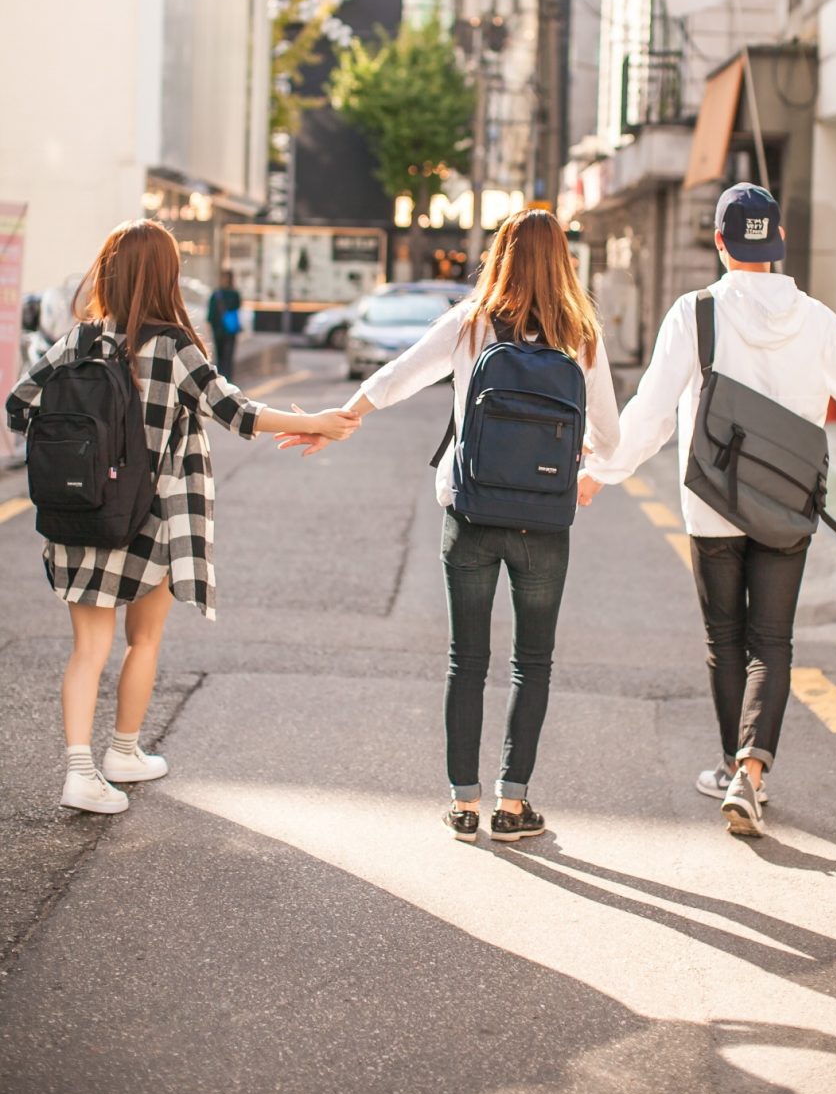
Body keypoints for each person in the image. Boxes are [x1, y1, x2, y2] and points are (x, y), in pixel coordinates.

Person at [578, 183, 836, 838]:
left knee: (725, 638)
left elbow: (652, 414)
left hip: (712, 507)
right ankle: (752, 773)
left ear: (720, 242)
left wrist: (602, 473)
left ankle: (734, 770)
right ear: (777, 243)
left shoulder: (695, 314)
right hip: (787, 505)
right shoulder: (815, 318)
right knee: (772, 641)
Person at [280, 209, 620, 843]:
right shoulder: (583, 337)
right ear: (564, 264)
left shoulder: (472, 324)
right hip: (544, 522)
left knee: (467, 660)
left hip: (471, 511)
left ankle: (464, 805)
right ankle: (513, 806)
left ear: (501, 257)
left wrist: (337, 420)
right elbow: (609, 435)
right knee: (532, 662)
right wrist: (588, 473)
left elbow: (397, 376)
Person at [6, 220, 360, 816]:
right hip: (153, 518)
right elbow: (237, 412)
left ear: (109, 272)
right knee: (143, 639)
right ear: (167, 276)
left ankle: (78, 771)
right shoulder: (173, 345)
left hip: (79, 514)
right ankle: (122, 750)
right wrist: (319, 422)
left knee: (86, 650)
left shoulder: (78, 341)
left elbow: (19, 405)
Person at [207, 269, 242, 381]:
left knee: (221, 355)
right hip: (229, 329)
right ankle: (227, 380)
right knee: (227, 356)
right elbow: (237, 307)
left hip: (219, 330)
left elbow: (211, 314)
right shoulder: (235, 294)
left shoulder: (217, 294)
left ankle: (221, 379)